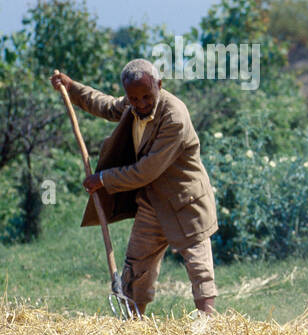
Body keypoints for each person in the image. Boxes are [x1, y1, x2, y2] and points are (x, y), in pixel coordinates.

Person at [51, 60, 218, 317]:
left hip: (186, 201)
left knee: (199, 267)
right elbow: (105, 105)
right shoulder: (132, 104)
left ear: (159, 86)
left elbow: (147, 170)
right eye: (134, 98)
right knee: (137, 268)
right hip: (152, 202)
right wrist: (72, 88)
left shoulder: (174, 116)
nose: (140, 104)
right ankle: (133, 328)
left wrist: (104, 179)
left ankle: (209, 328)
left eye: (146, 97)